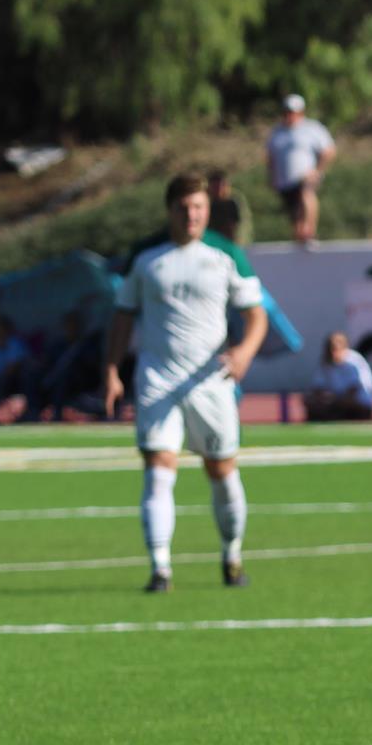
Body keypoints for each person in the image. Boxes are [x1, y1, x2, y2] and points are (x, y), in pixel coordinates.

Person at [104, 172, 269, 593]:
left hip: (209, 381)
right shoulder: (145, 256)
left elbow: (256, 315)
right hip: (158, 379)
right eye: (184, 207)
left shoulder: (226, 253)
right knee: (159, 470)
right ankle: (161, 568)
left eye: (199, 207)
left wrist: (244, 352)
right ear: (169, 210)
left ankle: (231, 555)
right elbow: (123, 316)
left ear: (207, 211)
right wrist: (111, 370)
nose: (191, 215)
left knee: (222, 470)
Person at [265, 93, 335, 247]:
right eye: (286, 111)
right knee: (293, 212)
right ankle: (299, 237)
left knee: (306, 193)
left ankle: (309, 230)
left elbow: (328, 150)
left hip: (306, 176)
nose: (289, 115)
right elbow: (270, 157)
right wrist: (271, 177)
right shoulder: (277, 132)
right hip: (285, 181)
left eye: (293, 112)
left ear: (301, 112)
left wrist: (317, 170)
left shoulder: (311, 128)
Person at [303, 332, 372, 420]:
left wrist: (336, 399)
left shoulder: (354, 362)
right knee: (310, 401)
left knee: (346, 403)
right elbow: (318, 387)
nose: (332, 353)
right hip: (336, 401)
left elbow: (355, 389)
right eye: (330, 350)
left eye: (335, 349)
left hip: (357, 403)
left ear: (344, 348)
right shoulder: (326, 361)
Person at [207, 169, 253, 248]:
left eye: (222, 186)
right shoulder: (205, 203)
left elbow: (240, 225)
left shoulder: (234, 202)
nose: (219, 190)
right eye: (215, 187)